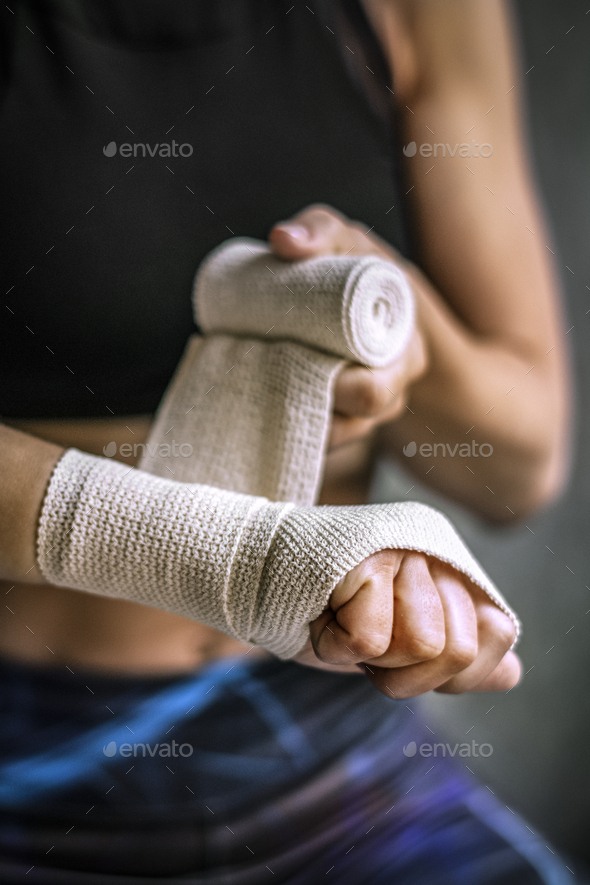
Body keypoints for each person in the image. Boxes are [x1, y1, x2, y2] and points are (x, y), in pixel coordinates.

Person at [0, 0, 574, 882]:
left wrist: (408, 340)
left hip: (330, 732)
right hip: (30, 760)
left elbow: (523, 465)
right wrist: (254, 556)